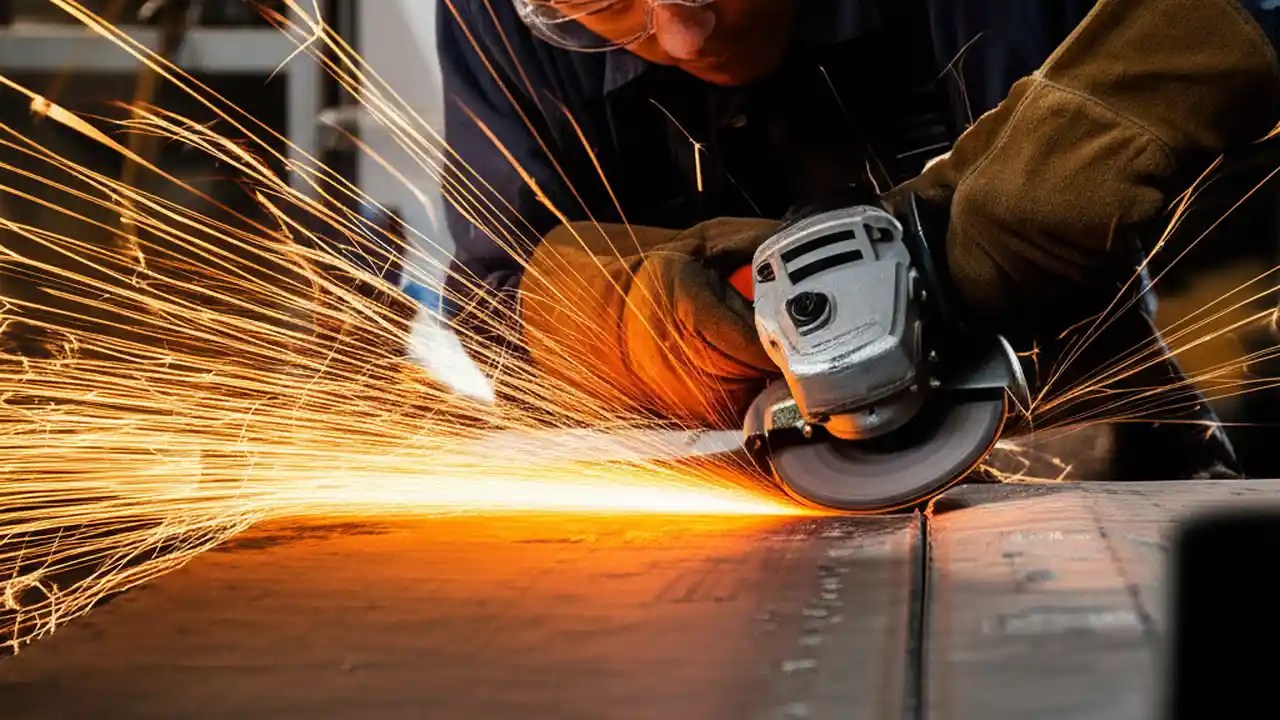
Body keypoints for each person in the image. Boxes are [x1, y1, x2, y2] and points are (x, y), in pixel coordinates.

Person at [437, 0, 1280, 478]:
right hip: (740, 508)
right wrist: (625, 320)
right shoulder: (496, 15)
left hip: (1094, 450)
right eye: (610, 4)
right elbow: (494, 288)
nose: (686, 35)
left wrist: (1117, 111)